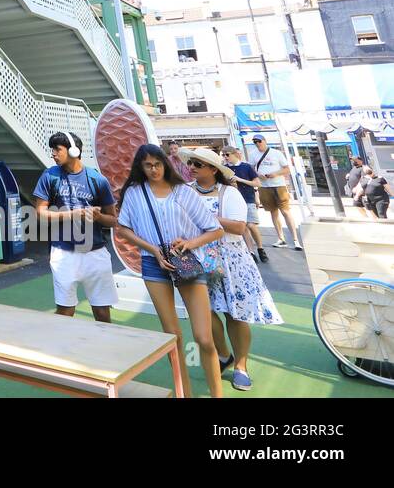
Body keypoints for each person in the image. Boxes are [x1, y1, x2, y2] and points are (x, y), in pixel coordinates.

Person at [115, 143, 225, 397]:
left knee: (203, 338)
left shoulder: (183, 192)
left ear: (166, 163)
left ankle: (217, 393)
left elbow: (215, 229)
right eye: (148, 165)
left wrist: (189, 243)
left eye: (157, 163)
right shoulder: (135, 193)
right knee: (172, 337)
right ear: (140, 167)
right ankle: (183, 392)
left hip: (186, 260)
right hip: (153, 262)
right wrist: (152, 249)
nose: (154, 169)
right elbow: (123, 229)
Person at [182, 147, 283, 393]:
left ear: (214, 169)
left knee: (235, 314)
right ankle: (224, 354)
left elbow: (239, 227)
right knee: (206, 311)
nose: (192, 167)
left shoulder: (230, 193)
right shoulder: (184, 191)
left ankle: (241, 365)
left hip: (231, 259)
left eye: (198, 163)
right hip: (198, 257)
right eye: (191, 163)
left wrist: (204, 217)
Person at [32, 132, 118, 321]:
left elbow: (113, 219)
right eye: (52, 149)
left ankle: (107, 348)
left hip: (95, 253)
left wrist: (98, 216)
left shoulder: (97, 179)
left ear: (73, 150)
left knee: (102, 312)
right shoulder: (49, 176)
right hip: (63, 253)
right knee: (65, 311)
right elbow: (40, 213)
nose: (53, 154)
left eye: (57, 149)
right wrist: (73, 214)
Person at [248, 134, 302, 250]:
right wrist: (258, 175)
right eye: (255, 142)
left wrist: (275, 174)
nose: (257, 144)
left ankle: (295, 239)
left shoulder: (276, 153)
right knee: (273, 212)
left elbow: (287, 168)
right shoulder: (253, 155)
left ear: (265, 141)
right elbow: (251, 169)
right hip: (264, 186)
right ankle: (281, 238)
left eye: (259, 141)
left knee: (285, 212)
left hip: (278, 185)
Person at [222, 146, 267, 262]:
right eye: (223, 155)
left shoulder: (246, 167)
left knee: (251, 225)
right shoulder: (224, 168)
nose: (226, 157)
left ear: (234, 154)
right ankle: (251, 251)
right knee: (244, 227)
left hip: (248, 198)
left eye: (227, 154)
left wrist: (240, 180)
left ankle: (260, 248)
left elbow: (257, 183)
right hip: (234, 200)